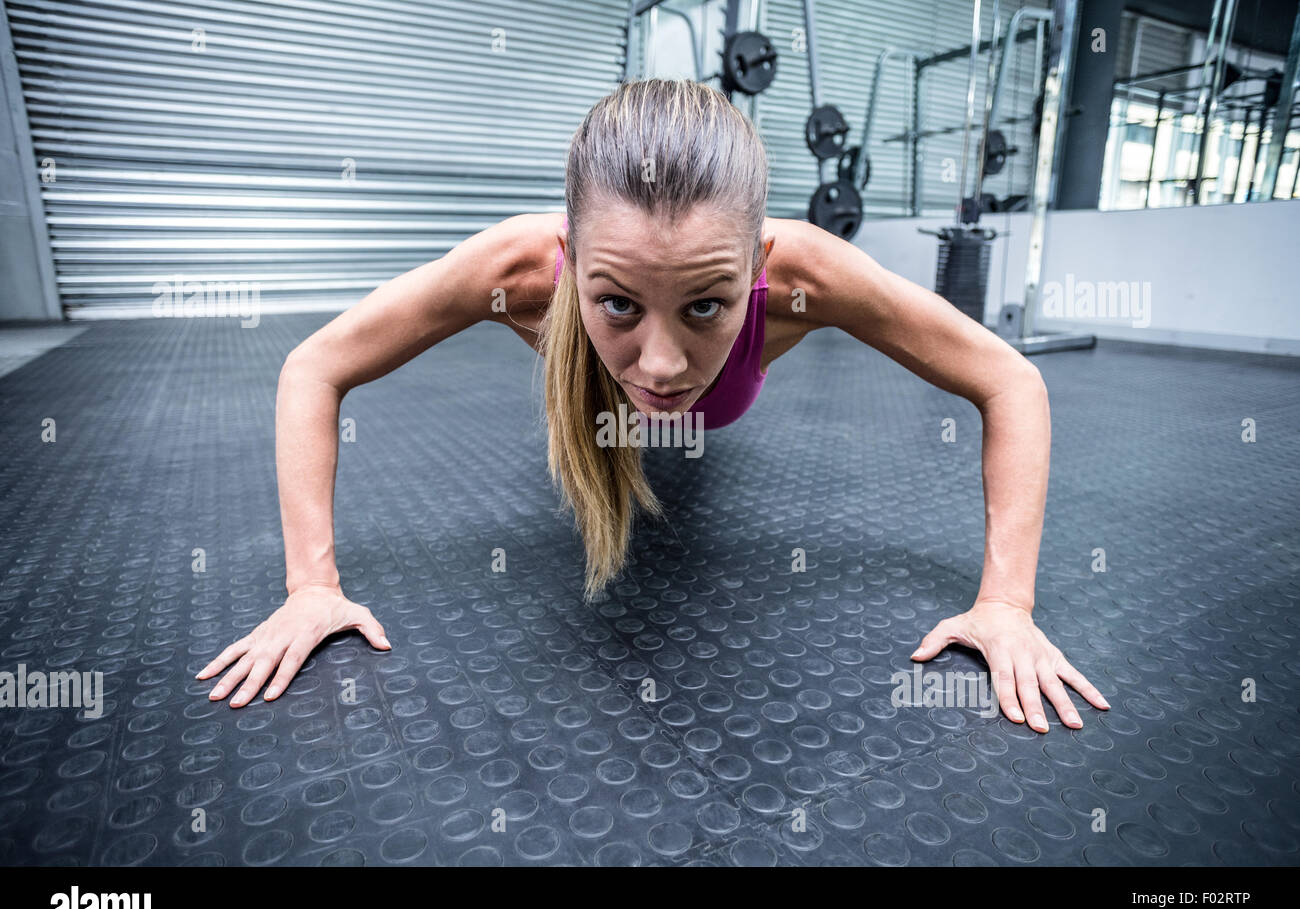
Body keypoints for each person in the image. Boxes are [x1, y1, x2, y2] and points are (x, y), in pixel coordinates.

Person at [198, 78, 1109, 734]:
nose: (664, 365)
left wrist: (1007, 605)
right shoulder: (515, 271)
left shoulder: (806, 275)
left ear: (758, 269)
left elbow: (1010, 380)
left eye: (706, 306)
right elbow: (313, 367)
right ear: (569, 259)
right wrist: (311, 588)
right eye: (618, 305)